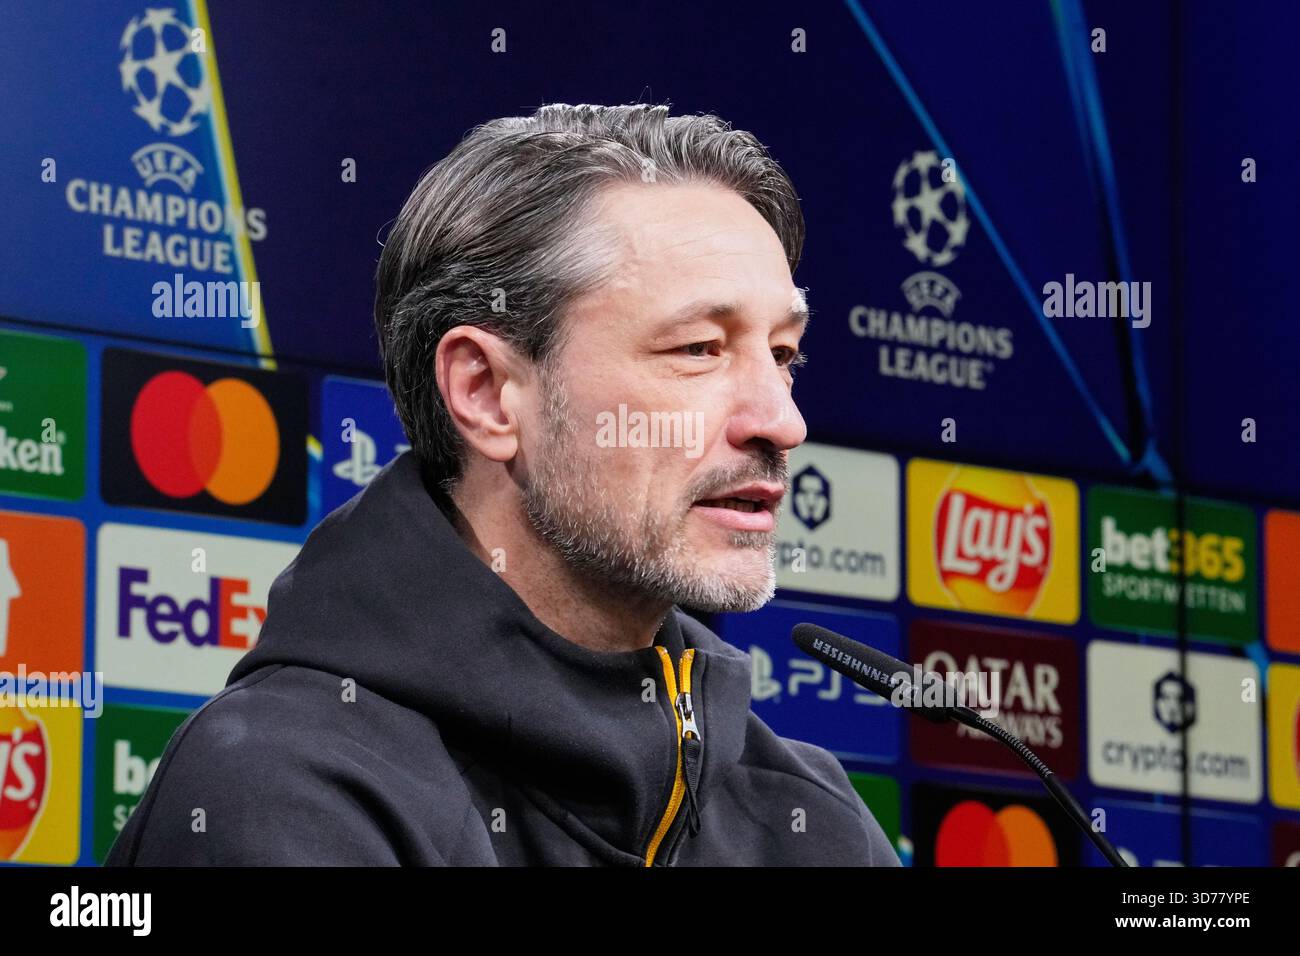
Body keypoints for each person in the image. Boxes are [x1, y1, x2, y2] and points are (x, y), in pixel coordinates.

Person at [106, 103, 901, 866]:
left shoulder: (814, 822)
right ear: (486, 394)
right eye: (698, 349)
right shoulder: (283, 791)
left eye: (784, 354)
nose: (782, 422)